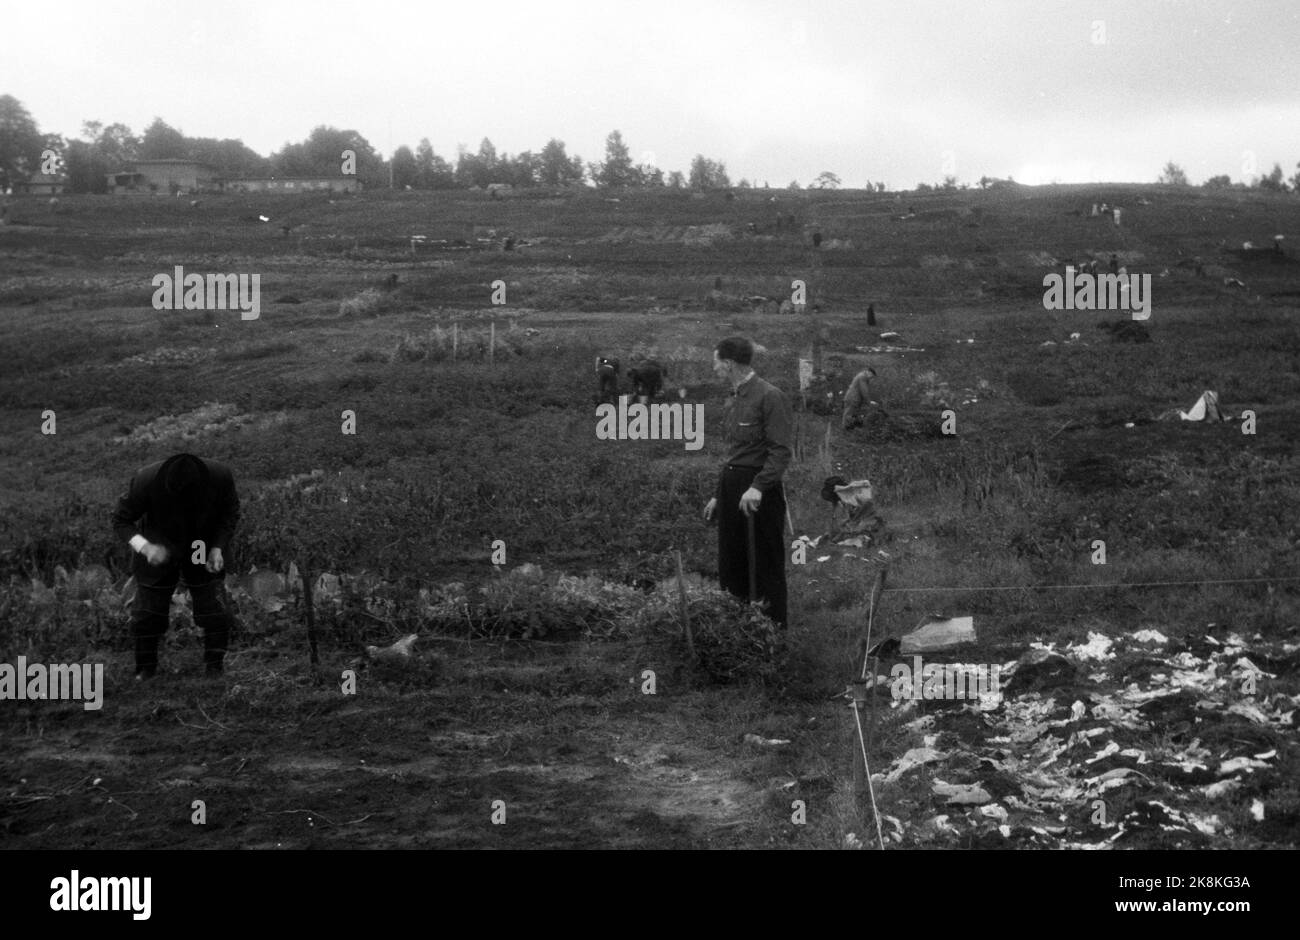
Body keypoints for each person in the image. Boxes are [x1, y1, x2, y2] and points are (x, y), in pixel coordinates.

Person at [112, 453, 241, 679]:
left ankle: (214, 666)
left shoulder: (220, 476)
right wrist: (145, 547)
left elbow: (229, 514)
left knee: (214, 606)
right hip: (158, 544)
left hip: (202, 544)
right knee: (147, 612)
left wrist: (218, 547)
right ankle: (145, 669)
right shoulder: (145, 480)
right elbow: (121, 520)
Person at [702, 336, 793, 627]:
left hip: (758, 491)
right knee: (731, 562)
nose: (714, 368)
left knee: (764, 564)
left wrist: (758, 487)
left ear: (729, 364)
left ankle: (771, 633)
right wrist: (719, 494)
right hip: (732, 487)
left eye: (716, 362)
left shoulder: (770, 396)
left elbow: (780, 451)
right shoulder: (734, 398)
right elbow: (734, 453)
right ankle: (737, 630)